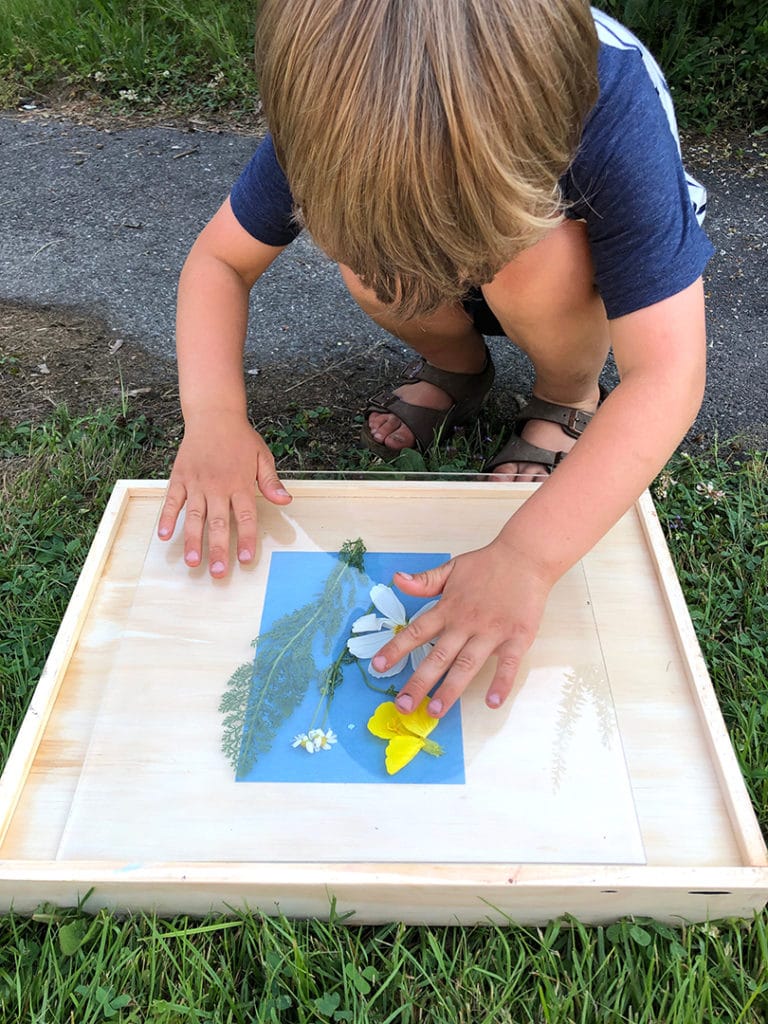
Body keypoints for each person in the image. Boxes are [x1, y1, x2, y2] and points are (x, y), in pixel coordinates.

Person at [158, 1, 713, 721]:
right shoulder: (337, 108)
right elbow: (218, 262)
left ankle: (566, 396)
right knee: (373, 264)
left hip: (570, 262)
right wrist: (212, 417)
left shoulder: (609, 110)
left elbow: (668, 372)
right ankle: (458, 369)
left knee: (535, 266)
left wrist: (527, 557)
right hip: (492, 229)